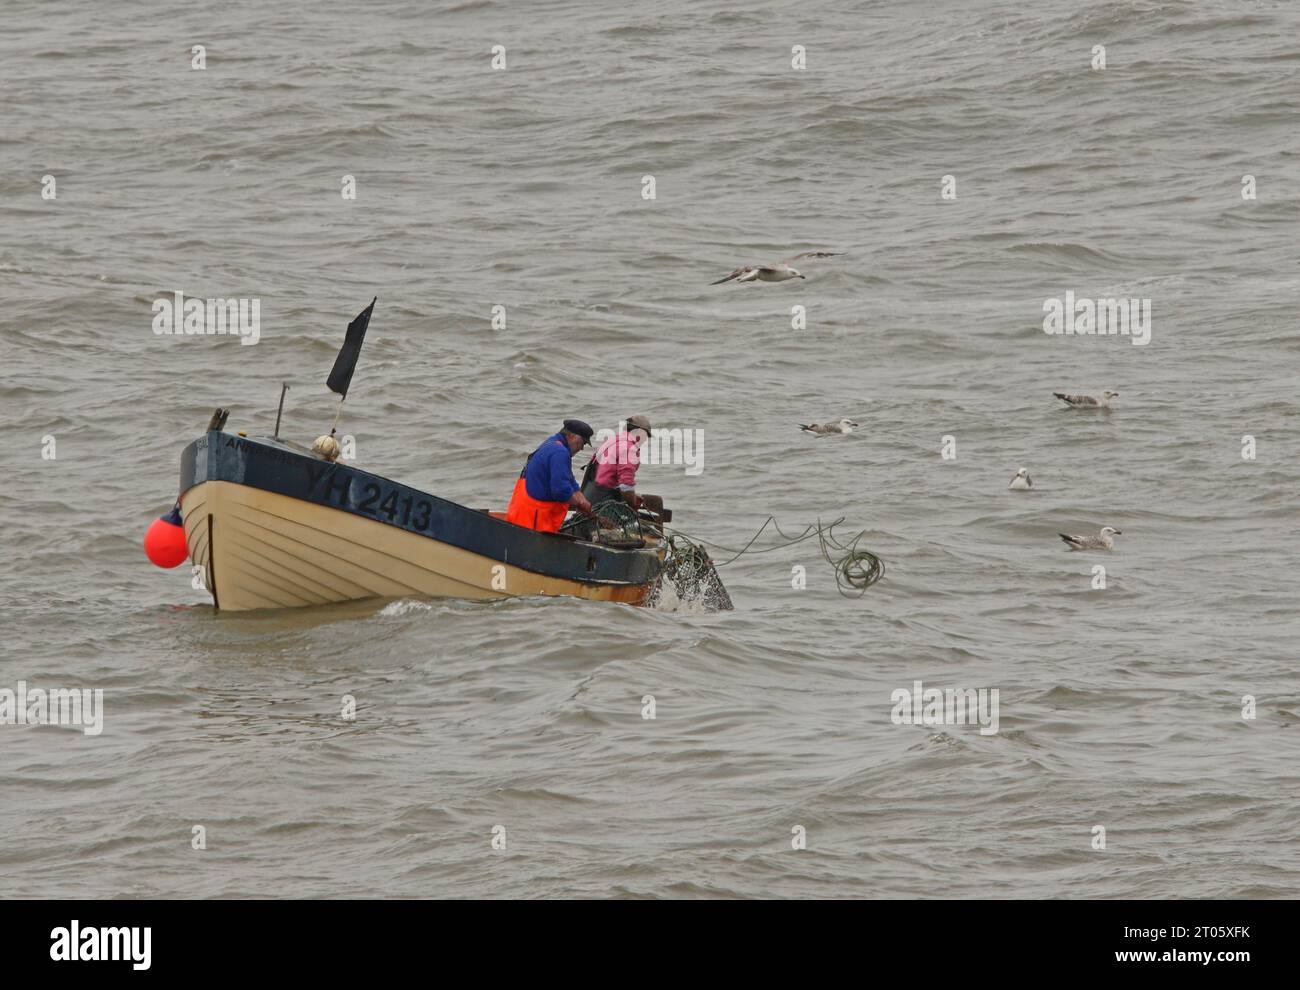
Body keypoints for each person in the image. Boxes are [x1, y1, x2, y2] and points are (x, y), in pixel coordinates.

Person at [505, 419, 596, 532]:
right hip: (534, 521)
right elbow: (560, 491)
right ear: (572, 436)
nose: (582, 448)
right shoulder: (560, 453)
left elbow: (570, 480)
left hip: (520, 514)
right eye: (583, 443)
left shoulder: (552, 444)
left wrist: (583, 500)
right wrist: (579, 504)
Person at [581, 415, 651, 510]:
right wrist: (633, 503)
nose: (646, 439)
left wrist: (632, 496)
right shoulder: (629, 449)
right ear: (639, 432)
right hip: (603, 503)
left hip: (588, 496)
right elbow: (626, 486)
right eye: (646, 435)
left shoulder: (612, 441)